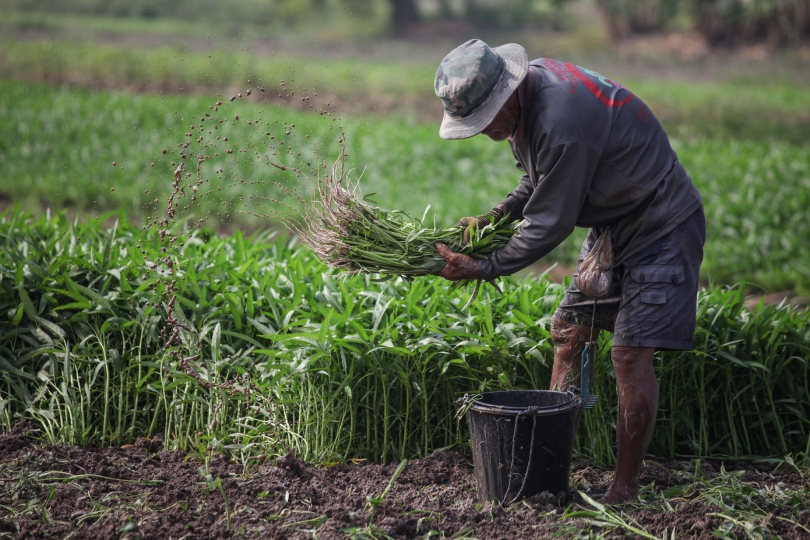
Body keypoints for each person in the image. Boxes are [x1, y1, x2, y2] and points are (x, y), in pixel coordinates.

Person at [433, 39, 705, 504]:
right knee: (568, 333)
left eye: (485, 121)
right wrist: (497, 216)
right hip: (611, 225)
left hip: (660, 223)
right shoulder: (529, 101)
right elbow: (539, 178)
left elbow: (550, 222)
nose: (485, 132)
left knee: (628, 355)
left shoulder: (561, 121)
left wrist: (482, 267)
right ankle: (552, 469)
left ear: (507, 93)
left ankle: (624, 489)